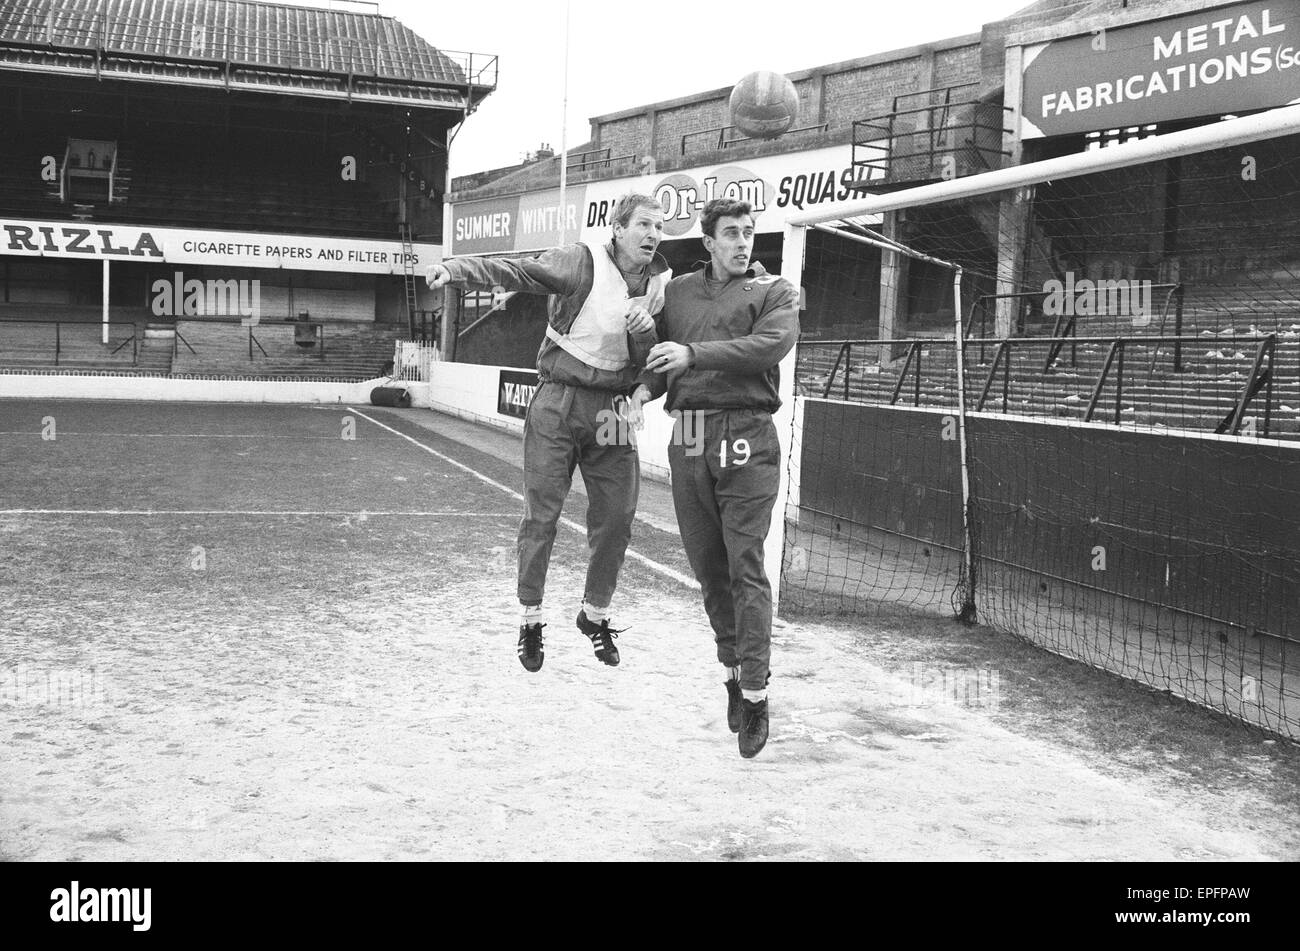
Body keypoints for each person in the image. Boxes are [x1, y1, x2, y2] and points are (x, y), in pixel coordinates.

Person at [427, 194, 670, 673]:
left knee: (618, 517)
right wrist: (458, 269)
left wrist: (645, 341)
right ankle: (531, 618)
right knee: (542, 515)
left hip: (613, 411)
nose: (653, 235)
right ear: (618, 229)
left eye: (659, 227)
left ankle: (595, 614)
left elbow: (657, 367)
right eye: (643, 224)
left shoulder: (661, 288)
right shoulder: (580, 262)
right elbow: (518, 270)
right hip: (559, 401)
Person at [627, 198, 798, 758]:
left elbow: (767, 347)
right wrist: (642, 387)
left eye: (749, 233)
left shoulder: (775, 291)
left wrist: (692, 353)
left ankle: (755, 693)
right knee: (708, 568)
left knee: (746, 565)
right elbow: (658, 360)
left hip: (747, 430)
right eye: (731, 234)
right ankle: (732, 670)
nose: (743, 242)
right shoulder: (676, 293)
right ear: (709, 242)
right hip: (691, 435)